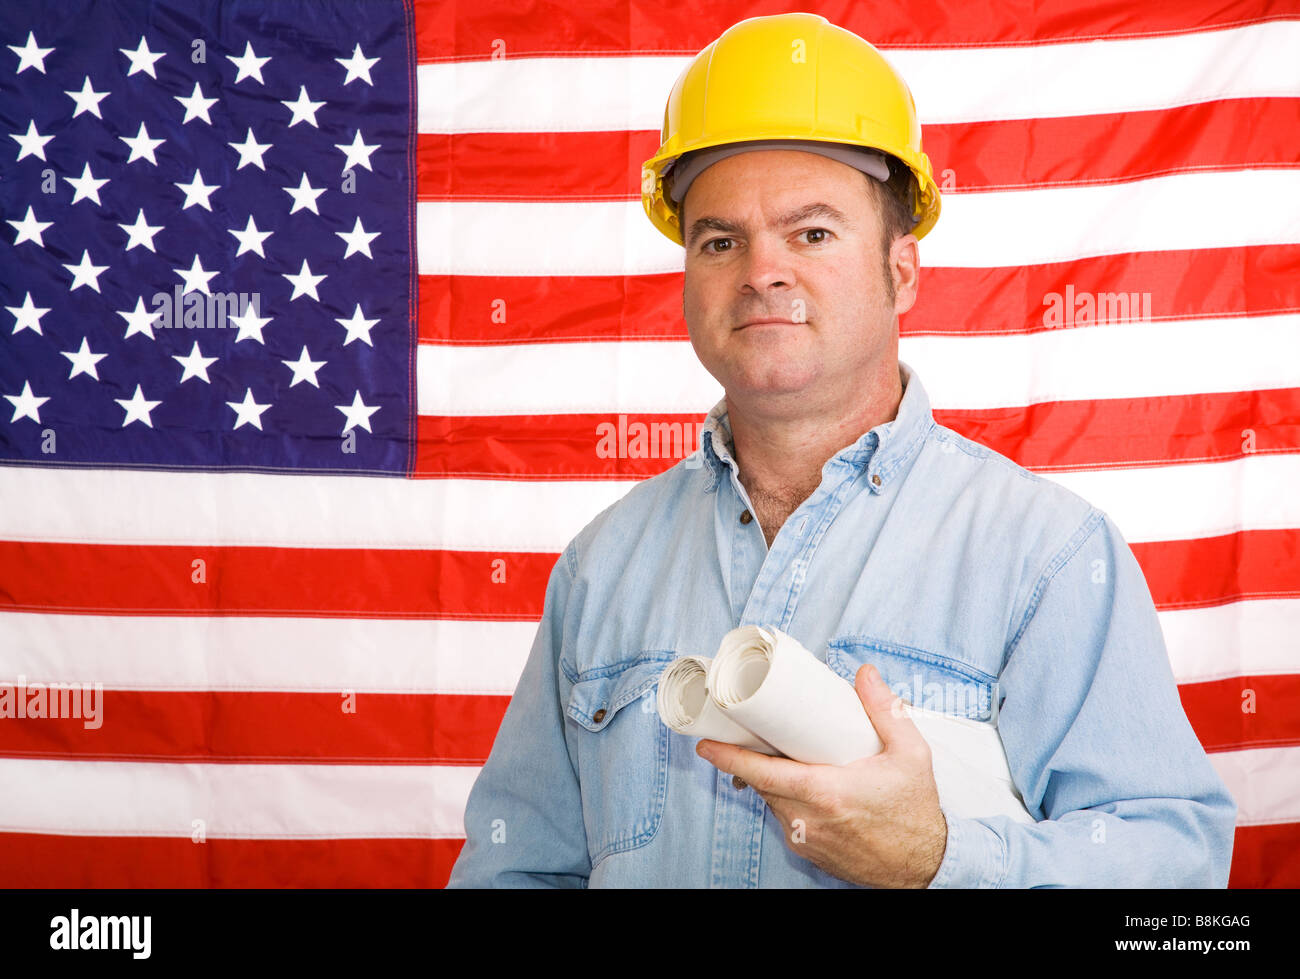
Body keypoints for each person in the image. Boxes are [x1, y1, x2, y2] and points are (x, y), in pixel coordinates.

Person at [446, 12, 1236, 888]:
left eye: (812, 233)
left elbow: (1180, 886)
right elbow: (515, 870)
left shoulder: (1046, 555)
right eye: (720, 240)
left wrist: (941, 860)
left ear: (901, 270)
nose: (761, 271)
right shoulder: (602, 566)